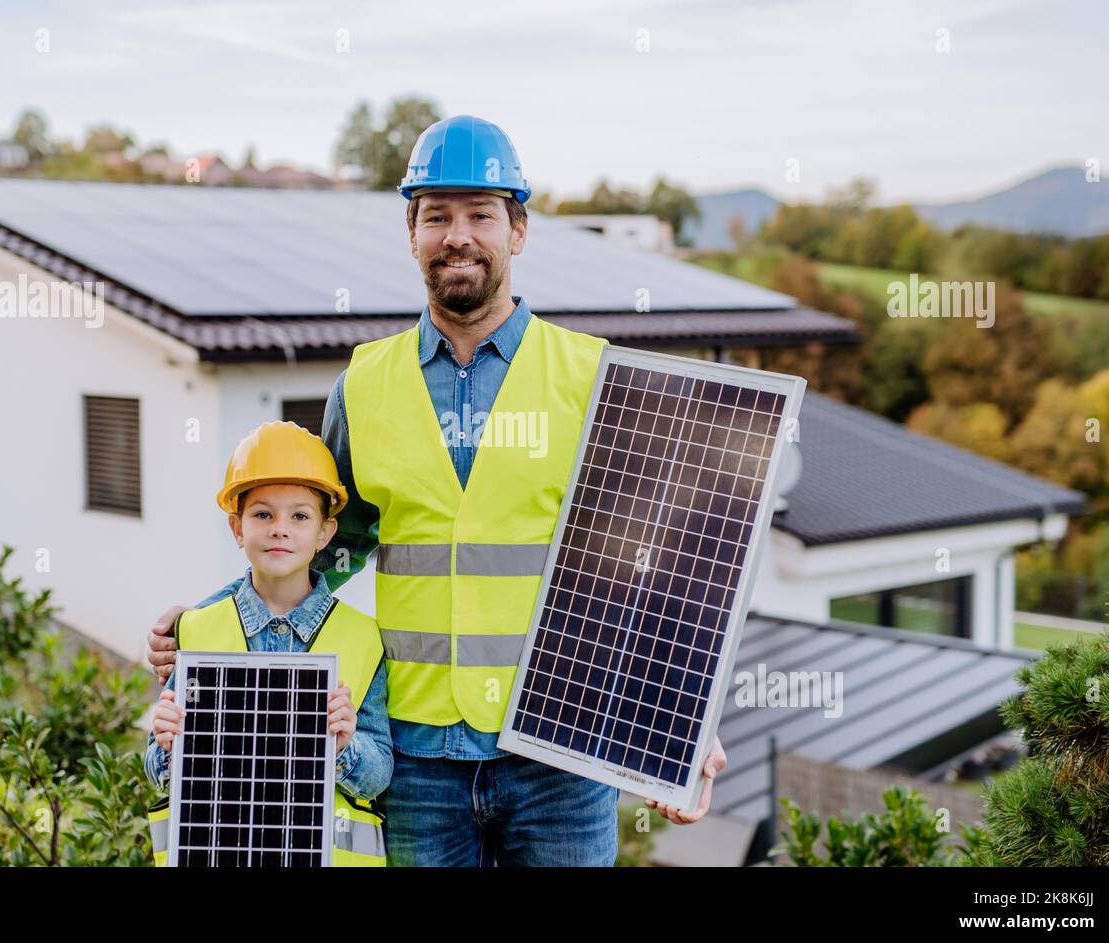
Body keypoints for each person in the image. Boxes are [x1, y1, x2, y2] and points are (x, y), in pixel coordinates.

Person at [149, 115, 726, 866]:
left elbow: (654, 560)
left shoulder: (590, 375)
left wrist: (686, 722)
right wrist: (208, 629)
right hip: (416, 758)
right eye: (437, 216)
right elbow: (319, 546)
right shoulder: (364, 384)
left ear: (517, 232)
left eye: (481, 214)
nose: (459, 235)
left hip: (559, 750)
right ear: (413, 234)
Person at [144, 420, 391, 866]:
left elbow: (379, 774)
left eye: (299, 516)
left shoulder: (363, 638)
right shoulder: (197, 633)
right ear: (237, 529)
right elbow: (156, 768)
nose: (281, 529)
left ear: (325, 533)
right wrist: (165, 748)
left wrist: (342, 748)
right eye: (263, 514)